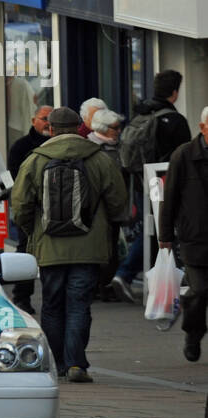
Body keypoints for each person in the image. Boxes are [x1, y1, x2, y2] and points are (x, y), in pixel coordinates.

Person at [11, 107, 128, 383]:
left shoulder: (35, 160)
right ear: (79, 128)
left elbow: (20, 206)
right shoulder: (98, 158)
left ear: (50, 129)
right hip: (88, 247)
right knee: (79, 304)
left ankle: (59, 363)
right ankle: (77, 363)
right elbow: (118, 203)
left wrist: (34, 232)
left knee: (51, 305)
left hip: (50, 247)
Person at [112, 70, 193, 301]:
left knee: (153, 229)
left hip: (142, 182)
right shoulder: (175, 120)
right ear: (175, 92)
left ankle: (130, 275)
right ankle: (127, 274)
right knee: (161, 230)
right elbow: (184, 157)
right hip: (165, 183)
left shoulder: (142, 113)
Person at [158, 105, 208, 362]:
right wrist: (165, 237)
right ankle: (193, 333)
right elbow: (170, 199)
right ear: (202, 128)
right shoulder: (184, 155)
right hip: (195, 238)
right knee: (199, 291)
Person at [7, 105, 52, 313]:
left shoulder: (56, 145)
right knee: (26, 252)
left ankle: (52, 297)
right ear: (34, 120)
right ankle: (21, 296)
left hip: (53, 208)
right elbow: (16, 179)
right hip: (29, 207)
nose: (47, 123)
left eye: (51, 120)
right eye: (44, 118)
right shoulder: (20, 147)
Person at [88, 109, 126, 298]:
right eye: (115, 128)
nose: (119, 131)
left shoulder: (120, 146)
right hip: (97, 208)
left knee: (112, 246)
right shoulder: (88, 147)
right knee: (98, 248)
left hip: (115, 205)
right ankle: (98, 285)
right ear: (102, 129)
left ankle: (106, 285)